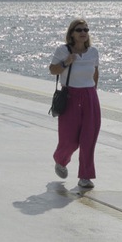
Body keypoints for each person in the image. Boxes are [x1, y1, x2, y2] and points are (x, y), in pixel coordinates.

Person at [48, 18, 100, 191]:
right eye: (79, 30)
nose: (83, 32)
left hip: (90, 96)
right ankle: (61, 159)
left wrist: (93, 91)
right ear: (71, 33)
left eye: (86, 29)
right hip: (70, 95)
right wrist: (66, 62)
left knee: (89, 138)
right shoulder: (63, 50)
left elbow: (95, 73)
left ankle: (85, 176)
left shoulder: (93, 52)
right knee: (69, 140)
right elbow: (52, 69)